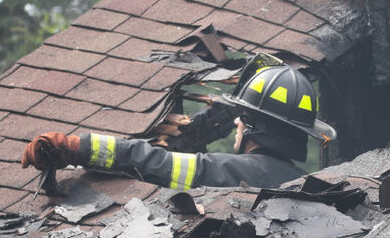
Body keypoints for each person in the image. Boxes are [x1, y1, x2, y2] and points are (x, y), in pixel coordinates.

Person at [20, 62, 336, 190]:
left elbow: (155, 161)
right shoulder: (308, 184)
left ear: (253, 127)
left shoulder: (235, 171)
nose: (237, 123)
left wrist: (76, 148)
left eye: (242, 118)